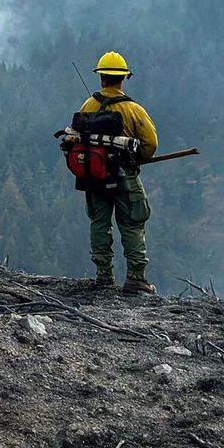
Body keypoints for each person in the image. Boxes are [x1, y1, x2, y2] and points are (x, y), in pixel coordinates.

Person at [78, 52, 158, 294]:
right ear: (123, 79)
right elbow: (150, 144)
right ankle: (136, 278)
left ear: (101, 78)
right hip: (125, 177)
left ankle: (104, 276)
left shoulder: (88, 105)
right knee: (133, 223)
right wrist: (137, 159)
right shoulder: (133, 110)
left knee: (99, 223)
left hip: (94, 177)